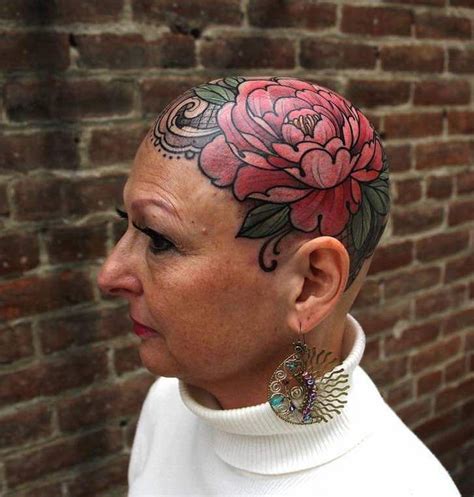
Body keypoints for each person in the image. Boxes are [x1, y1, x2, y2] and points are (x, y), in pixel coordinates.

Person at [97, 77, 461, 496]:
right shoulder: (168, 407)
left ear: (310, 284)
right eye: (126, 225)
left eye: (160, 239)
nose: (109, 274)